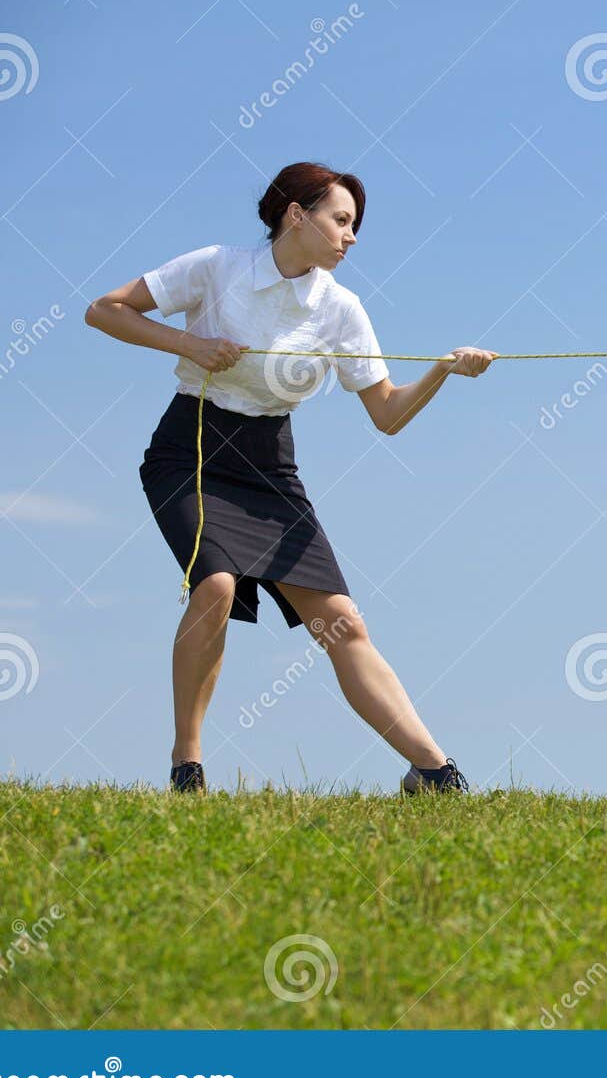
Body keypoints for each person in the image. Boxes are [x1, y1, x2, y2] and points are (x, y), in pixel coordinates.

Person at [83, 161, 495, 796]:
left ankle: (435, 773)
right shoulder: (217, 266)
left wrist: (442, 370)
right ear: (296, 216)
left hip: (271, 464)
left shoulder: (340, 309)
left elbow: (386, 414)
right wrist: (188, 345)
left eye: (355, 226)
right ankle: (186, 766)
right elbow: (103, 312)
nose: (351, 236)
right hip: (191, 447)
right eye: (341, 220)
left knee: (342, 622)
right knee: (215, 584)